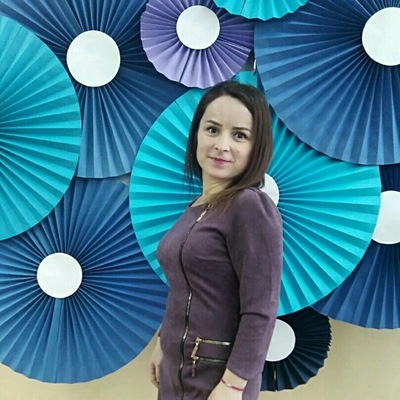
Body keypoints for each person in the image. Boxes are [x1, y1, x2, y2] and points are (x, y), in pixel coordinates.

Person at [149, 80, 283, 400]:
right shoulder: (195, 208)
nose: (222, 145)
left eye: (239, 135)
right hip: (176, 370)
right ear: (196, 134)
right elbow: (186, 288)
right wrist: (163, 340)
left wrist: (233, 385)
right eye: (212, 130)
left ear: (257, 146)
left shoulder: (250, 207)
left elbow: (260, 310)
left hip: (219, 379)